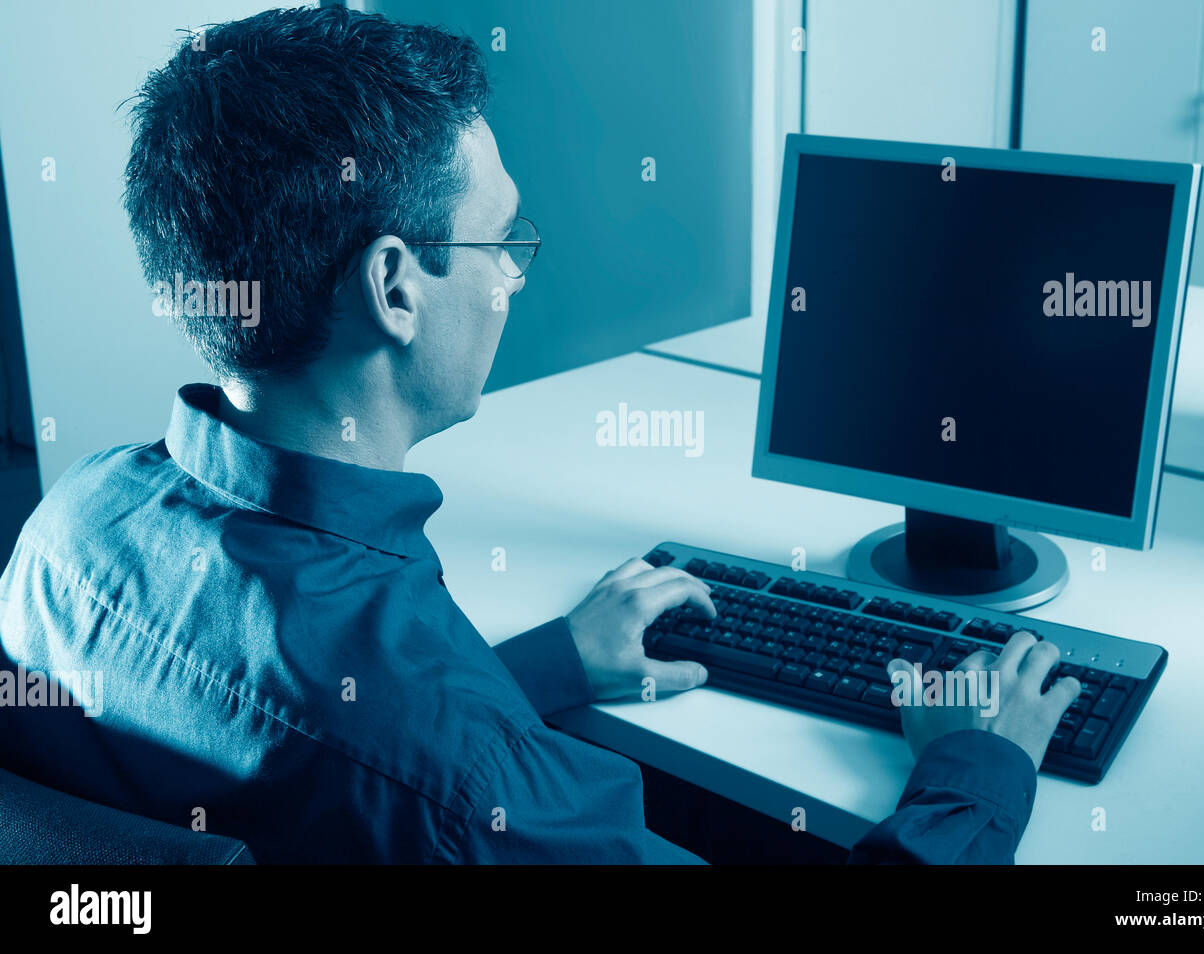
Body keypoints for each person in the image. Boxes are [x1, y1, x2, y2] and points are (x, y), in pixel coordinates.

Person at [0, 6, 1079, 864]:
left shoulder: (67, 525)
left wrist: (551, 663)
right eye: (501, 238)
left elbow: (303, 754)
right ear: (395, 287)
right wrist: (974, 772)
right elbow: (411, 767)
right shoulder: (471, 786)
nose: (514, 273)